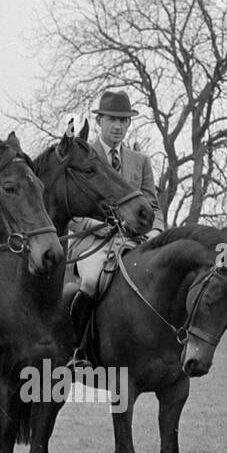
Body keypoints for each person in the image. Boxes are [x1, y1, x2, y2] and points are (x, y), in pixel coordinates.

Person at [68, 89, 161, 360]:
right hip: (93, 241)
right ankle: (78, 352)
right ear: (99, 121)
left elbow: (153, 205)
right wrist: (98, 226)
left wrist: (156, 231)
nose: (119, 126)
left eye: (124, 121)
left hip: (133, 240)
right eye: (112, 120)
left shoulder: (140, 161)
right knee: (91, 280)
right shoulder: (84, 156)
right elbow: (72, 214)